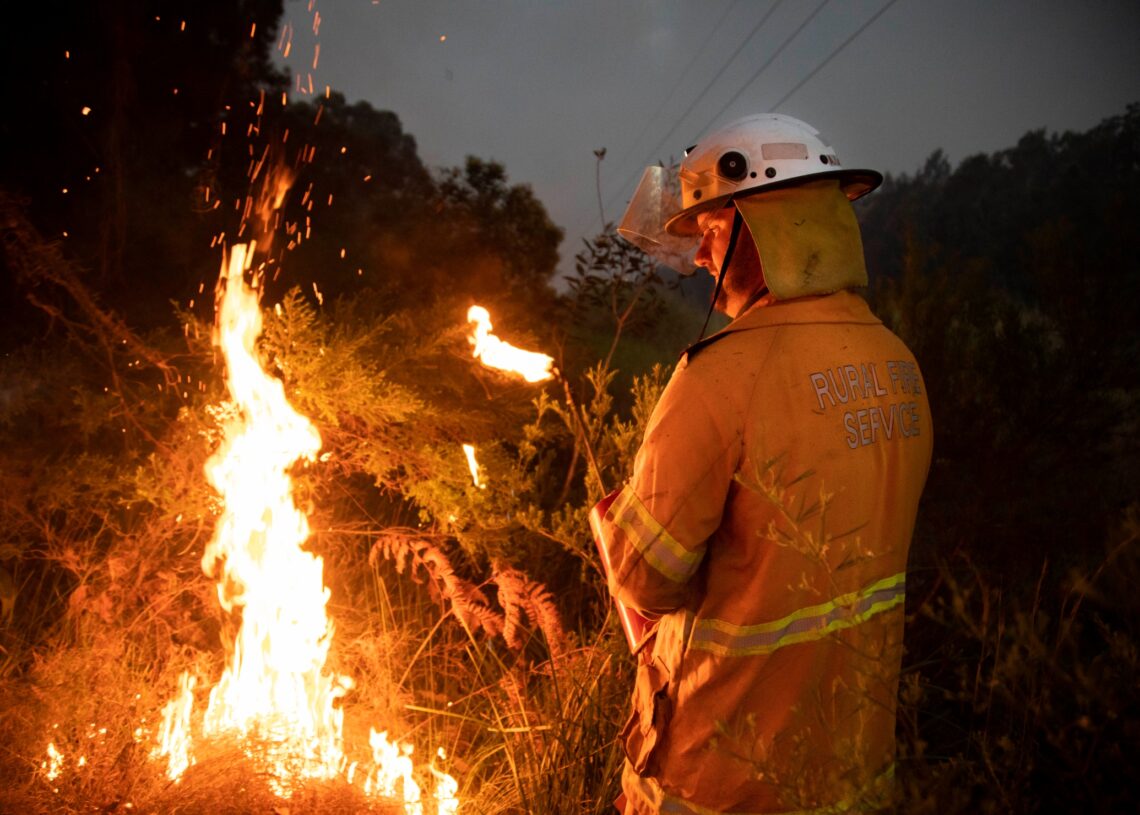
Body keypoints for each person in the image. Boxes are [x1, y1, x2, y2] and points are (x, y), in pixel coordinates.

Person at [597, 114, 933, 813]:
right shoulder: (898, 363)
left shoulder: (720, 376)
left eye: (712, 230)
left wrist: (622, 516)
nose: (698, 256)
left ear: (762, 227)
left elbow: (643, 580)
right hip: (854, 773)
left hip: (720, 779)